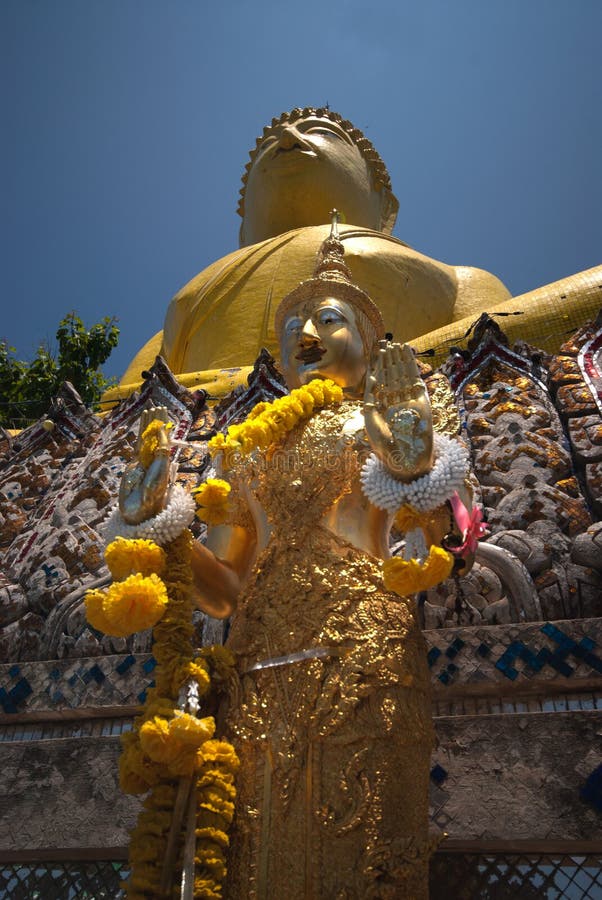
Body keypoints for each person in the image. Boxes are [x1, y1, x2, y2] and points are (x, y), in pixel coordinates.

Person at [118, 218, 475, 897]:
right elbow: (223, 591)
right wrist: (164, 528)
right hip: (256, 671)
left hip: (363, 656)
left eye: (329, 320)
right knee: (254, 852)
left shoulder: (387, 415)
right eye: (291, 328)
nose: (306, 335)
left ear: (369, 341)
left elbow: (441, 532)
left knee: (365, 846)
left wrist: (416, 459)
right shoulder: (243, 447)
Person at [118, 107, 514, 392]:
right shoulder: (197, 293)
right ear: (243, 232)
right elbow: (117, 407)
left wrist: (387, 368)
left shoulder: (461, 281)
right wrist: (236, 385)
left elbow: (506, 352)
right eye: (269, 146)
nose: (288, 139)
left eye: (321, 132)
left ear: (384, 207)